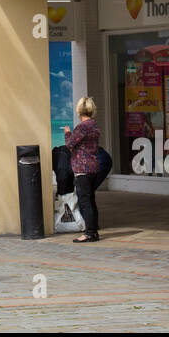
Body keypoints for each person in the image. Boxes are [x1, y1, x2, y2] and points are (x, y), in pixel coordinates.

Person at [62, 96, 101, 243]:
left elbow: (70, 144)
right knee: (91, 199)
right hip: (94, 167)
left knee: (85, 201)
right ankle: (94, 230)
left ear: (79, 110)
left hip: (82, 169)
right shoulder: (94, 126)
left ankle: (89, 233)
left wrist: (67, 132)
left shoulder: (82, 127)